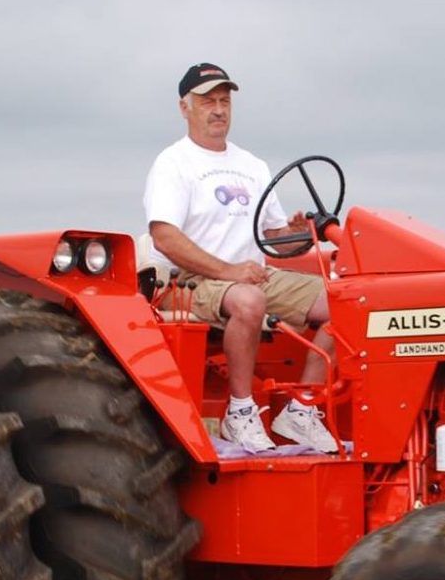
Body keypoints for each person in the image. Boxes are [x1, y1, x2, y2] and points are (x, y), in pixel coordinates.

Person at [143, 62, 338, 454]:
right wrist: (229, 271)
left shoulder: (252, 165)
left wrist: (297, 232)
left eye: (224, 101)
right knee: (249, 301)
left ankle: (302, 408)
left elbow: (274, 238)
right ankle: (241, 411)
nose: (218, 110)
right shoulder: (174, 163)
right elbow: (164, 237)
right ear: (185, 108)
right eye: (208, 101)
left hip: (251, 275)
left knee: (347, 300)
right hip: (190, 281)